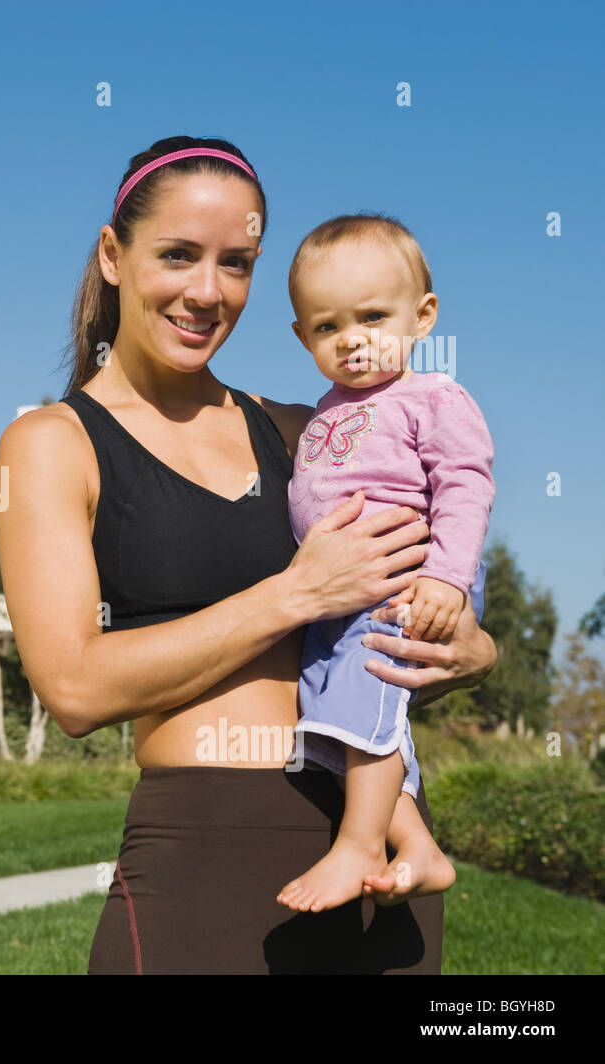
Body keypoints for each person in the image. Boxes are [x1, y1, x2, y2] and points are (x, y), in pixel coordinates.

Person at [0, 135, 498, 974]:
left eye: (237, 263)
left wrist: (474, 649)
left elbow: (430, 579)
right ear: (113, 256)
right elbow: (74, 688)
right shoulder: (53, 443)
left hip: (376, 846)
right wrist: (291, 595)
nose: (207, 291)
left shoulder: (309, 432)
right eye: (179, 256)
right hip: (205, 853)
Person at [275, 213, 495, 915]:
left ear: (422, 316)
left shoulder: (432, 397)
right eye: (328, 327)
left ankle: (360, 844)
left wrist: (446, 581)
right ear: (303, 336)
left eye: (373, 316)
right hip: (344, 598)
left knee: (364, 692)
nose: (353, 340)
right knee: (329, 714)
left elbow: (465, 485)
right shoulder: (324, 411)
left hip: (412, 584)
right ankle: (418, 846)